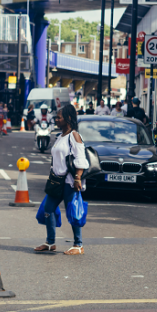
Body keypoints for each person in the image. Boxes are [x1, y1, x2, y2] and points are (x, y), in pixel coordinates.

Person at [35, 103, 90, 255]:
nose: (56, 120)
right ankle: (50, 242)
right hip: (56, 181)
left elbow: (80, 158)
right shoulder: (60, 136)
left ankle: (78, 245)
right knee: (48, 209)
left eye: (59, 117)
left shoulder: (74, 136)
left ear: (68, 118)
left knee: (72, 211)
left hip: (69, 182)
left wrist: (78, 178)